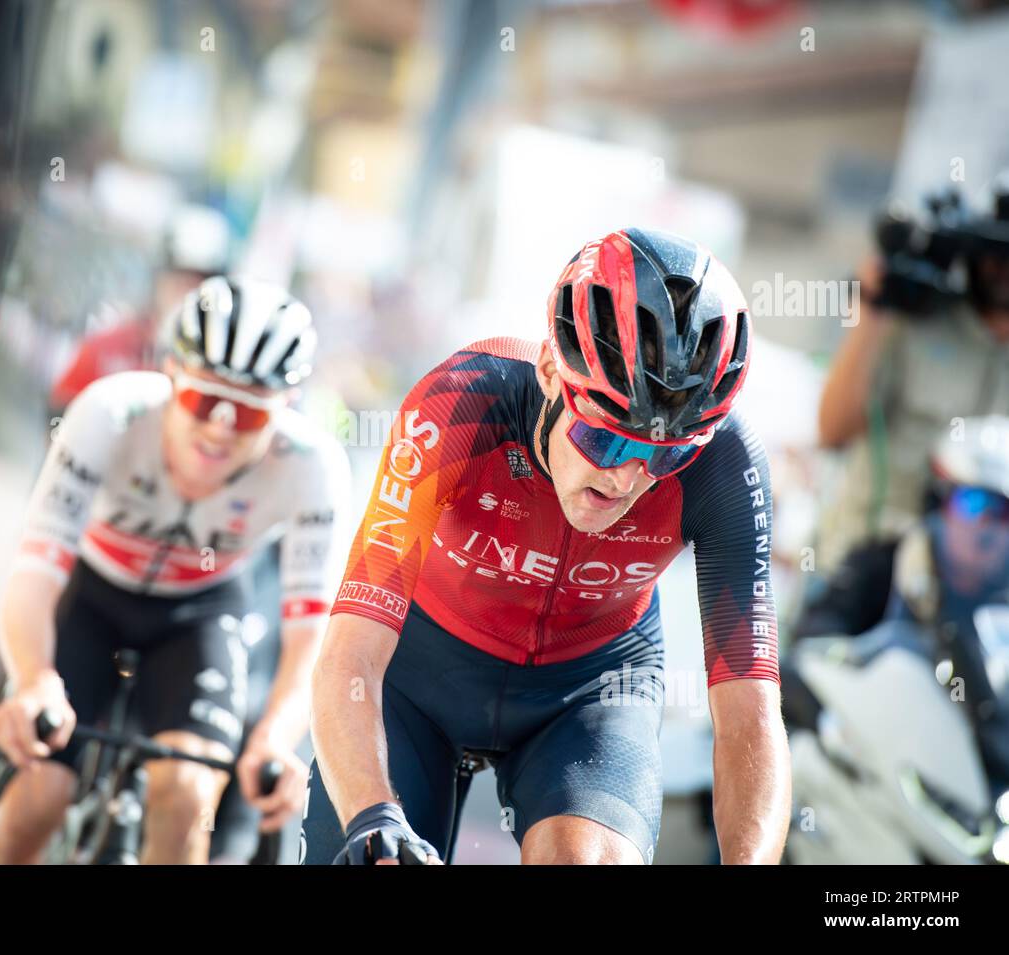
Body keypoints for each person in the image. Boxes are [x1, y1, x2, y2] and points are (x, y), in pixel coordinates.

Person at [303, 227, 789, 865]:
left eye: (666, 455)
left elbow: (749, 708)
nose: (625, 478)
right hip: (415, 679)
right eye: (607, 439)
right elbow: (349, 656)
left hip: (590, 688)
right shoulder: (461, 404)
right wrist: (373, 814)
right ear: (550, 373)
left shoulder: (725, 465)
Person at [0, 277, 351, 864]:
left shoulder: (312, 467)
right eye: (205, 399)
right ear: (172, 373)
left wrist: (276, 735)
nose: (219, 426)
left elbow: (311, 637)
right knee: (38, 795)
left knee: (190, 793)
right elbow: (36, 570)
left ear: (287, 407)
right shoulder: (108, 412)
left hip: (199, 609)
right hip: (91, 593)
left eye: (249, 413)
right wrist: (31, 679)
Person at [807, 181, 1009, 635]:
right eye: (996, 254)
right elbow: (832, 429)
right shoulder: (914, 322)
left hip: (975, 606)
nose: (1003, 271)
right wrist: (874, 308)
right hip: (862, 575)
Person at [48, 204, 232, 418]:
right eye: (179, 280)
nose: (185, 295)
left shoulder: (218, 375)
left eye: (197, 284)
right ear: (159, 279)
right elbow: (60, 416)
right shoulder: (109, 348)